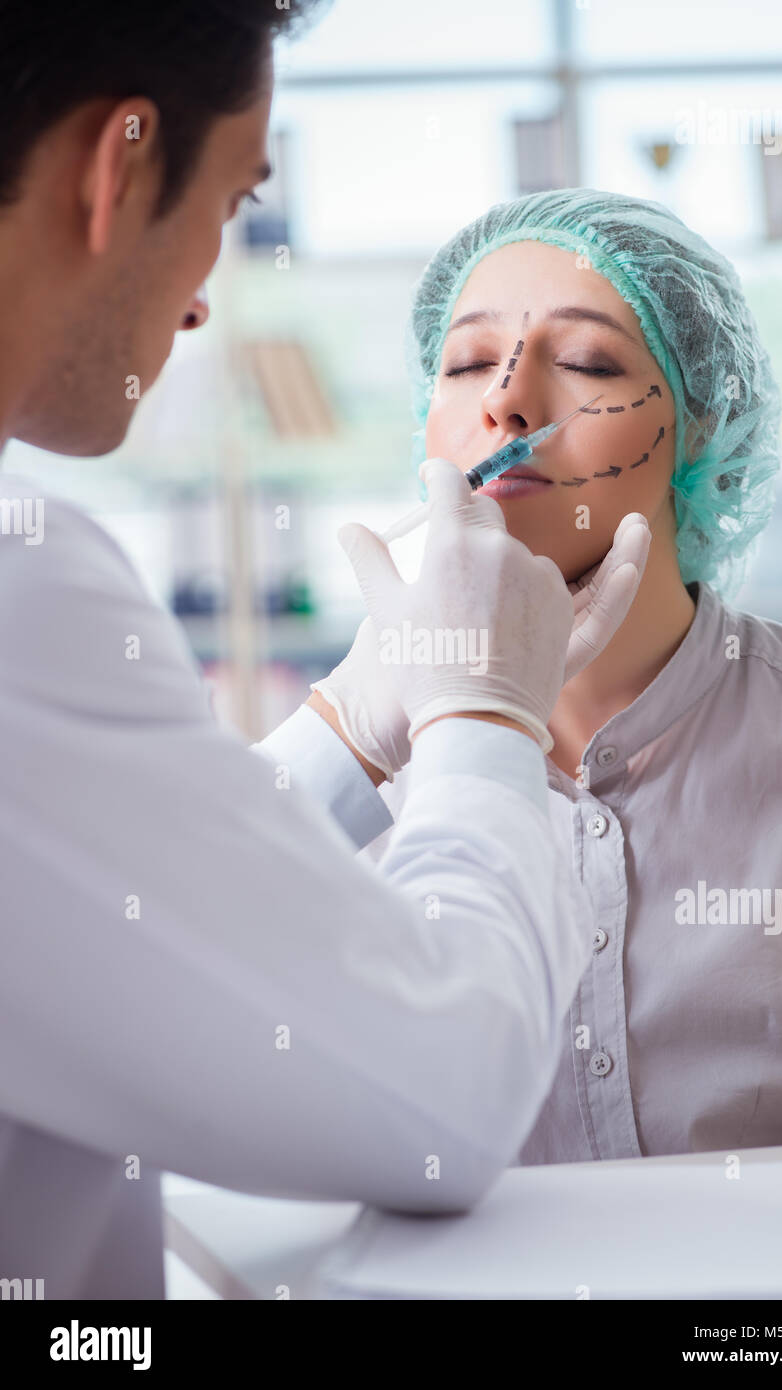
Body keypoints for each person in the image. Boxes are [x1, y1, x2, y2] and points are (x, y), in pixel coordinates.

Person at [0, 5, 650, 1299]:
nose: (201, 299)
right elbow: (441, 1094)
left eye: (585, 364)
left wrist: (362, 716)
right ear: (117, 164)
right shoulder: (26, 591)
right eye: (235, 202)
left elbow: (106, 897)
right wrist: (481, 721)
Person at [293, 188, 782, 1161]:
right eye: (467, 360)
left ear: (705, 420)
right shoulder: (341, 771)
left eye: (589, 362)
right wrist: (374, 723)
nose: (504, 400)